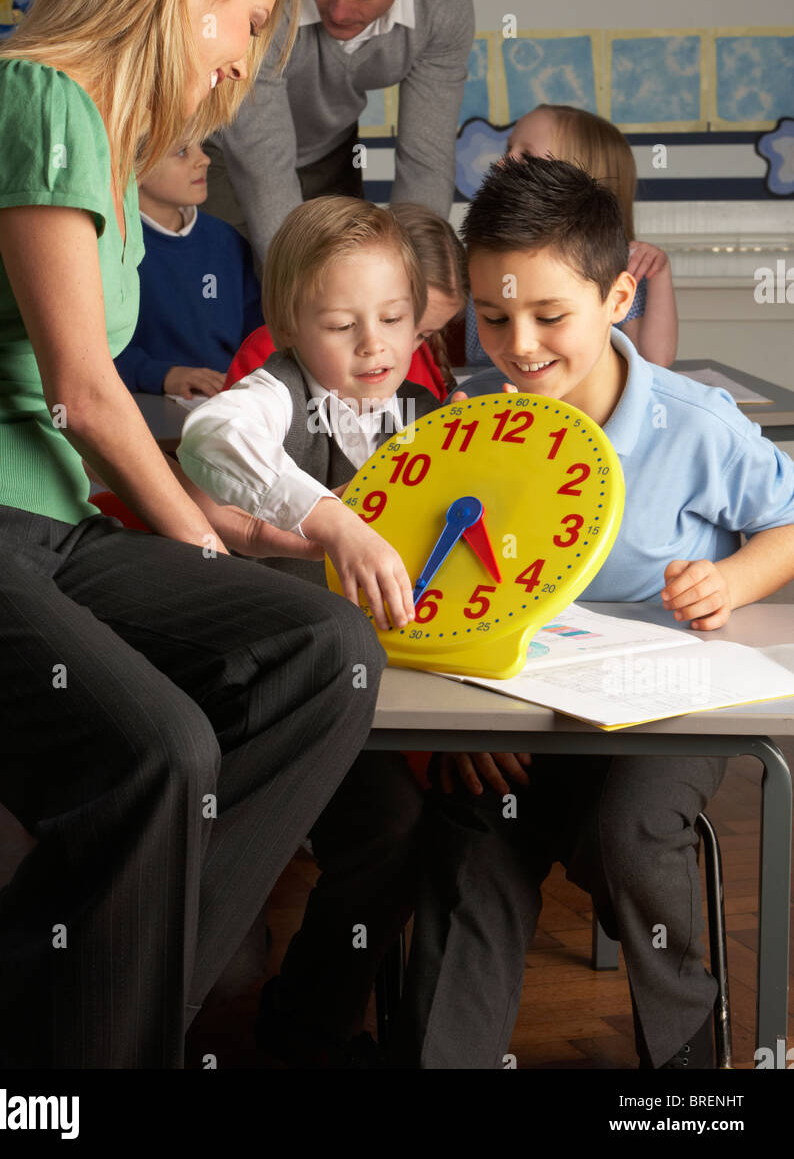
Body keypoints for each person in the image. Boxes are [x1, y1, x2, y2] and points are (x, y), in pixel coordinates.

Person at [0, 0, 386, 1070]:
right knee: (156, 751)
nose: (237, 69)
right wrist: (187, 528)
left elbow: (72, 418)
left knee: (322, 652)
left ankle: (46, 1005)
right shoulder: (37, 94)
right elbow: (83, 394)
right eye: (241, 27)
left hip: (49, 530)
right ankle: (65, 1039)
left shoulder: (110, 168)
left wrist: (212, 528)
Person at [393, 154, 794, 1070]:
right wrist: (464, 713)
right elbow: (428, 591)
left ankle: (689, 1075)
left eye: (549, 315)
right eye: (492, 319)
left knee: (629, 837)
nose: (519, 344)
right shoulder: (470, 432)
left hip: (661, 712)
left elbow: (790, 520)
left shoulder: (694, 423)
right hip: (515, 713)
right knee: (471, 846)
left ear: (618, 299)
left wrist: (731, 583)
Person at [177, 196, 439, 1064]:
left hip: (376, 701)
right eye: (341, 324)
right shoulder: (274, 393)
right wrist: (328, 519)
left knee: (396, 834)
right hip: (261, 708)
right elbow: (210, 435)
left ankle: (309, 1027)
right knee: (216, 964)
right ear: (290, 324)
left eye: (396, 318)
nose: (375, 346)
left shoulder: (425, 411)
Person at [202, 0, 475, 268]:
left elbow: (425, 162)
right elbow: (264, 160)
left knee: (355, 279)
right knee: (246, 286)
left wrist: (416, 282)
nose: (341, 11)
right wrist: (297, 286)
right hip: (221, 146)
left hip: (329, 151)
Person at [464, 104, 678, 370]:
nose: (502, 162)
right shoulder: (490, 250)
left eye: (526, 154)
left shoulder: (626, 264)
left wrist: (659, 273)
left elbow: (654, 360)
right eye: (497, 319)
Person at [222, 198, 467, 400]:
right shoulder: (265, 367)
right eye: (343, 325)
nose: (377, 346)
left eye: (423, 334)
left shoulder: (420, 369)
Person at [114, 137, 263, 399]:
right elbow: (92, 350)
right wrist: (162, 375)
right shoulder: (111, 245)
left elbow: (257, 333)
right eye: (182, 151)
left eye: (201, 147)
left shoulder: (227, 240)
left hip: (229, 401)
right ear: (134, 169)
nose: (204, 160)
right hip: (142, 400)